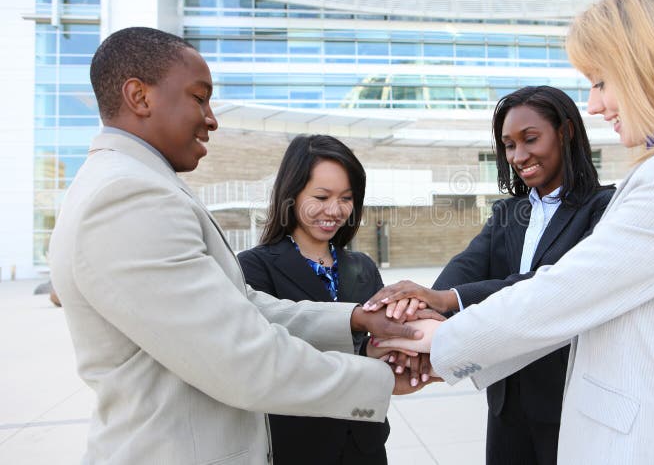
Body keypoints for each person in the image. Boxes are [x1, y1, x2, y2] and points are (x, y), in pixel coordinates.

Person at [369, 0, 654, 464]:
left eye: (602, 81)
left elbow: (566, 290)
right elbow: (560, 301)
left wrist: (444, 342)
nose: (596, 104)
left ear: (652, 67)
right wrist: (442, 340)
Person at [47, 27, 430, 465]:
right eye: (198, 97)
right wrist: (377, 379)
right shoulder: (128, 197)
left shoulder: (135, 185)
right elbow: (241, 359)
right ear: (139, 96)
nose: (211, 118)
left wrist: (356, 319)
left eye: (345, 198)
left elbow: (241, 306)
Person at [369, 85, 613, 465]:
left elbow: (549, 283)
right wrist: (425, 312)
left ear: (565, 133)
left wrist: (449, 300)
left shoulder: (602, 210)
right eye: (508, 145)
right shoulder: (509, 212)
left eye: (530, 139)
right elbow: (468, 264)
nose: (518, 156)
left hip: (567, 396)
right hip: (506, 396)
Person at [238, 134, 392, 465]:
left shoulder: (361, 266)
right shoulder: (254, 266)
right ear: (291, 195)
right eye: (321, 196)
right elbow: (266, 356)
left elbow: (366, 350)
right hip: (296, 445)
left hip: (364, 442)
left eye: (347, 198)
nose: (335, 210)